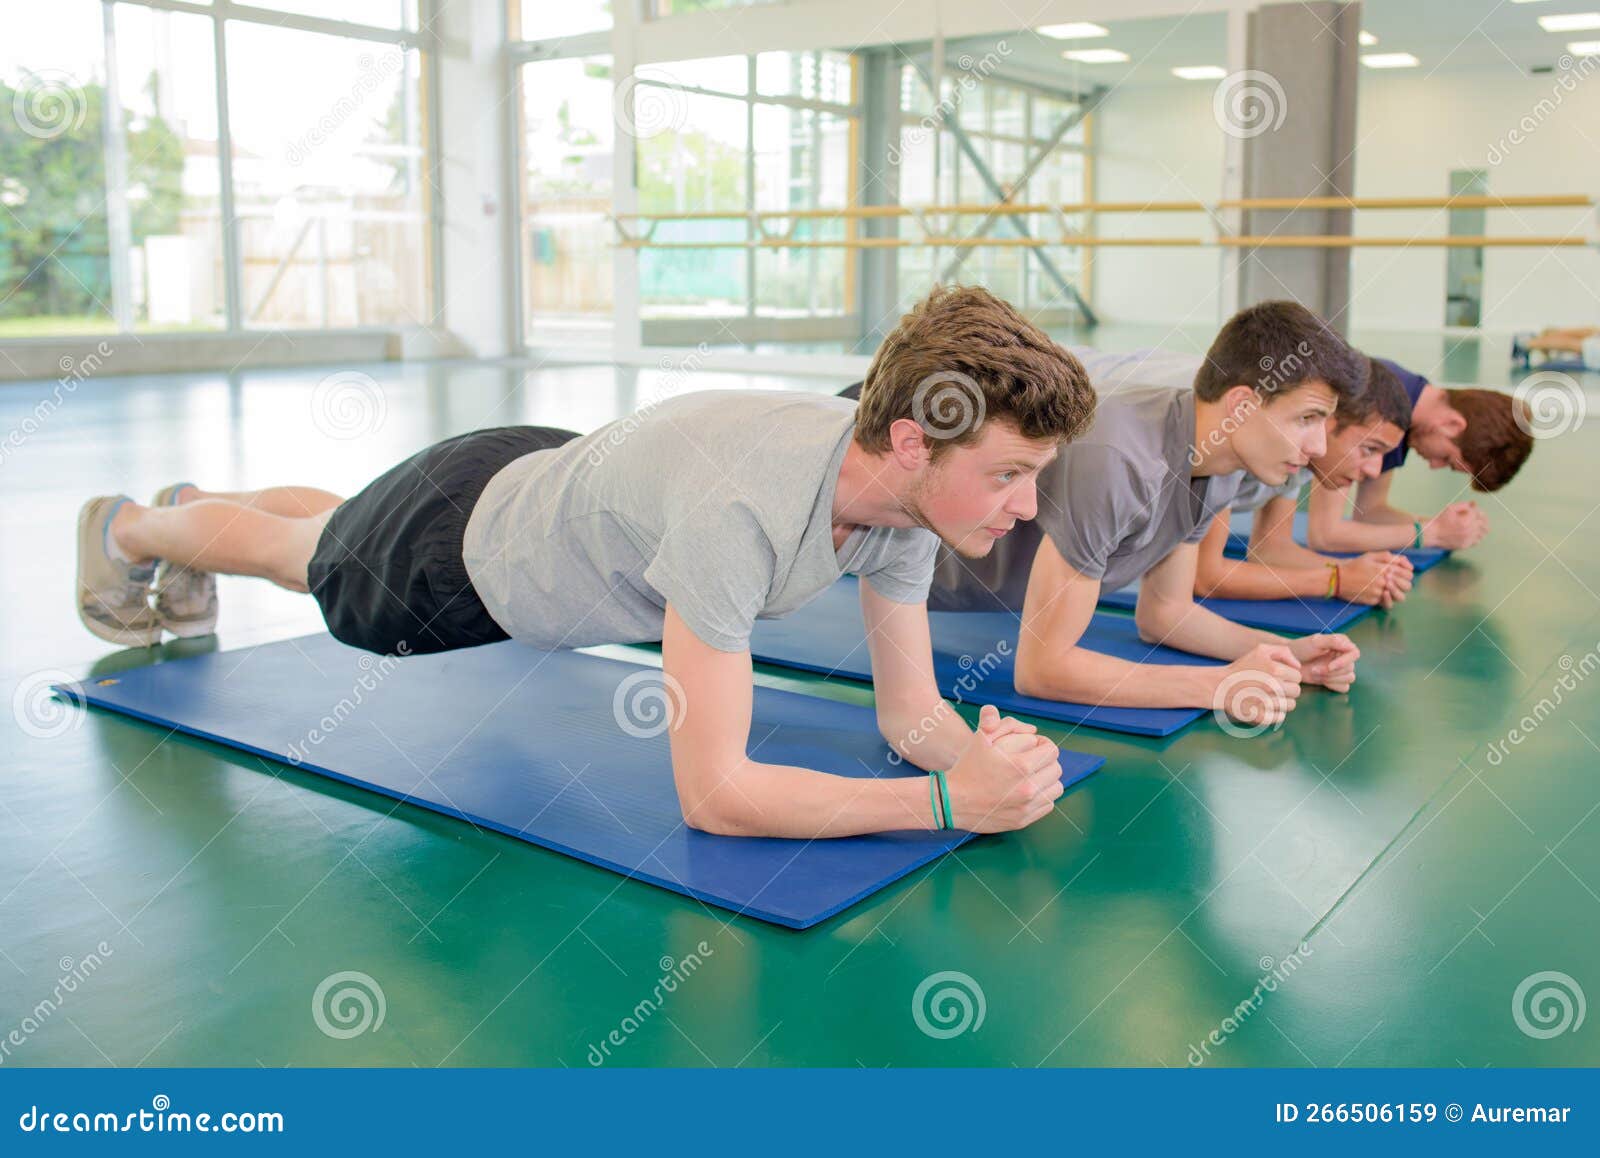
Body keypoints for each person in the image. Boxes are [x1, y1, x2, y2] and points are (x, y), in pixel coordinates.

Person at [74, 285, 1097, 840]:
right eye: (1010, 474)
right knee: (309, 558)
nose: (1025, 506)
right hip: (453, 562)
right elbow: (717, 796)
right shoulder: (740, 511)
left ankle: (191, 509)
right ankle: (131, 529)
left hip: (528, 473)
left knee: (338, 524)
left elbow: (904, 712)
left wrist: (969, 754)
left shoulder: (901, 506)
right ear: (914, 442)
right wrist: (940, 805)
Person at [849, 300, 1367, 727]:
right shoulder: (1122, 460)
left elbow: (1166, 613)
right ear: (1240, 406)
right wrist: (1216, 684)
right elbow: (1042, 669)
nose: (1319, 445)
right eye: (1307, 419)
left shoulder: (1222, 464)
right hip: (889, 532)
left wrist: (1284, 655)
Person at [1196, 357, 1417, 608]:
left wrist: (1358, 573)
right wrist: (1335, 581)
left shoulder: (1302, 454)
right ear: (1326, 418)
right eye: (1369, 449)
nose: (1375, 470)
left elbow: (1270, 549)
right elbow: (1206, 575)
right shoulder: (1237, 427)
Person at [1302, 359, 1533, 555]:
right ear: (1452, 425)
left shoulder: (1407, 414)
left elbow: (1369, 513)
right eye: (1447, 459)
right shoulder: (1379, 400)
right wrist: (1433, 534)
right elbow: (1324, 534)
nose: (1434, 465)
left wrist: (1444, 527)